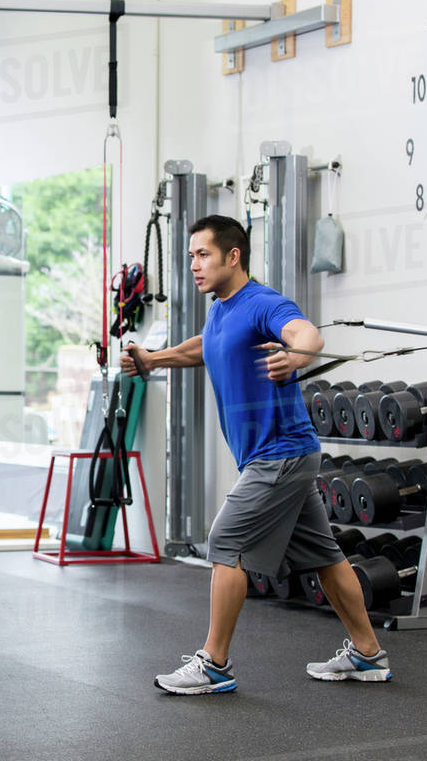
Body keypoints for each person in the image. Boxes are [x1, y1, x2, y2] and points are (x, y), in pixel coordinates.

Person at [122, 214, 391, 695]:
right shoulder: (222, 308)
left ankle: (214, 664)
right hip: (280, 455)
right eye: (190, 256)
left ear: (233, 256)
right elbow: (206, 347)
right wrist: (152, 358)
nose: (194, 266)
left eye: (203, 255)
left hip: (280, 454)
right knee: (325, 556)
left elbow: (307, 333)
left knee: (225, 541)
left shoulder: (262, 301)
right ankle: (368, 655)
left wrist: (299, 355)